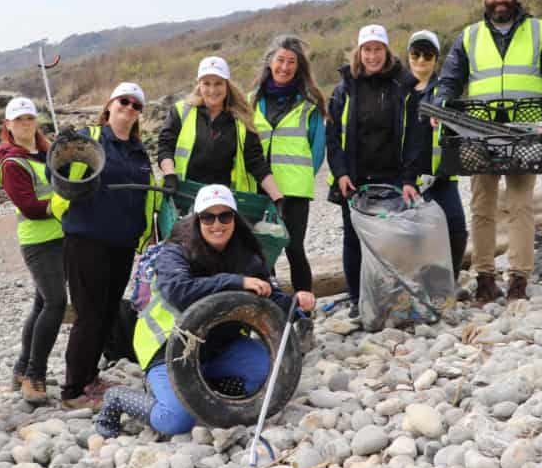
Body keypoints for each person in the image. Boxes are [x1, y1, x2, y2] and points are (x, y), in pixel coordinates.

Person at [94, 184, 316, 438]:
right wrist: (237, 282)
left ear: (235, 218)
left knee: (270, 376)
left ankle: (203, 387)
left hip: (219, 347)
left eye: (225, 216)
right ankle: (118, 398)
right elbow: (179, 290)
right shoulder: (175, 251)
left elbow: (270, 299)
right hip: (167, 348)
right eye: (208, 217)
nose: (217, 224)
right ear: (197, 220)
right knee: (176, 421)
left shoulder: (248, 257)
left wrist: (296, 303)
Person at [434, 0, 542, 302]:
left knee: (520, 206)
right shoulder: (468, 37)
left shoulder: (540, 31)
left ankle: (518, 280)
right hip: (478, 134)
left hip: (525, 134)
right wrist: (440, 105)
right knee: (482, 207)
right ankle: (484, 278)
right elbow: (450, 79)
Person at [51, 82, 161, 410]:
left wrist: (148, 237)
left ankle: (90, 377)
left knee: (108, 312)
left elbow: (146, 198)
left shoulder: (139, 152)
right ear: (109, 105)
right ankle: (73, 390)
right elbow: (56, 170)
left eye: (136, 105)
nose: (129, 108)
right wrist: (61, 145)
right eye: (123, 101)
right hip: (87, 239)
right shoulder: (88, 139)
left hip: (123, 244)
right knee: (89, 315)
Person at [327, 24, 418, 320]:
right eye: (367, 50)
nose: (372, 56)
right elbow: (332, 136)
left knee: (393, 240)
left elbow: (414, 135)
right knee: (353, 240)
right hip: (354, 178)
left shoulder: (403, 86)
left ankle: (394, 298)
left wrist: (409, 178)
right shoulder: (343, 89)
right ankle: (357, 298)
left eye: (378, 49)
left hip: (392, 177)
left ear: (387, 52)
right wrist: (340, 173)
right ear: (359, 52)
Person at [0, 96, 63, 405]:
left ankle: (21, 368)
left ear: (36, 122)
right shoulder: (12, 163)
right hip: (38, 242)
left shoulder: (49, 154)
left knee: (40, 304)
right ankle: (35, 374)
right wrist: (63, 202)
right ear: (8, 125)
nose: (24, 124)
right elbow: (30, 207)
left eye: (29, 118)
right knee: (56, 303)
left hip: (62, 238)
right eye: (18, 119)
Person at [249, 35, 327, 297]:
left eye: (291, 61)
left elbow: (317, 150)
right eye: (280, 60)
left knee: (294, 249)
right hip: (257, 188)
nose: (284, 67)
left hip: (294, 191)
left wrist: (300, 175)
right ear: (269, 62)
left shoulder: (309, 105)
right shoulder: (251, 100)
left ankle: (305, 308)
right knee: (260, 251)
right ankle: (268, 305)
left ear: (299, 65)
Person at [158, 56, 285, 208]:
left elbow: (256, 163)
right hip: (184, 196)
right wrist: (169, 174)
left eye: (218, 83)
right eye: (206, 83)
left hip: (223, 202)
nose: (212, 90)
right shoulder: (180, 112)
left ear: (227, 85)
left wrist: (277, 197)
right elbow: (165, 146)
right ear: (199, 84)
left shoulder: (241, 122)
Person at [402, 30, 469, 283]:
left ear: (436, 58)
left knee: (456, 227)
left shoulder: (446, 90)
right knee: (412, 233)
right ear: (408, 56)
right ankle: (416, 283)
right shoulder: (398, 90)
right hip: (406, 177)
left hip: (441, 174)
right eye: (416, 54)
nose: (421, 60)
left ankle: (448, 281)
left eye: (428, 55)